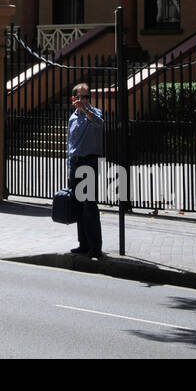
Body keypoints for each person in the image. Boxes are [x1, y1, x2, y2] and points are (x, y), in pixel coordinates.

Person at [67, 82, 105, 259]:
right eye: (79, 97)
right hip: (75, 163)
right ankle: (83, 244)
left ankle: (95, 247)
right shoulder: (72, 118)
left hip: (89, 163)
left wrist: (86, 111)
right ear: (74, 99)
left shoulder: (95, 113)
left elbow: (99, 123)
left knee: (89, 205)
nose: (82, 100)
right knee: (78, 205)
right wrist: (69, 166)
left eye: (85, 97)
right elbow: (70, 144)